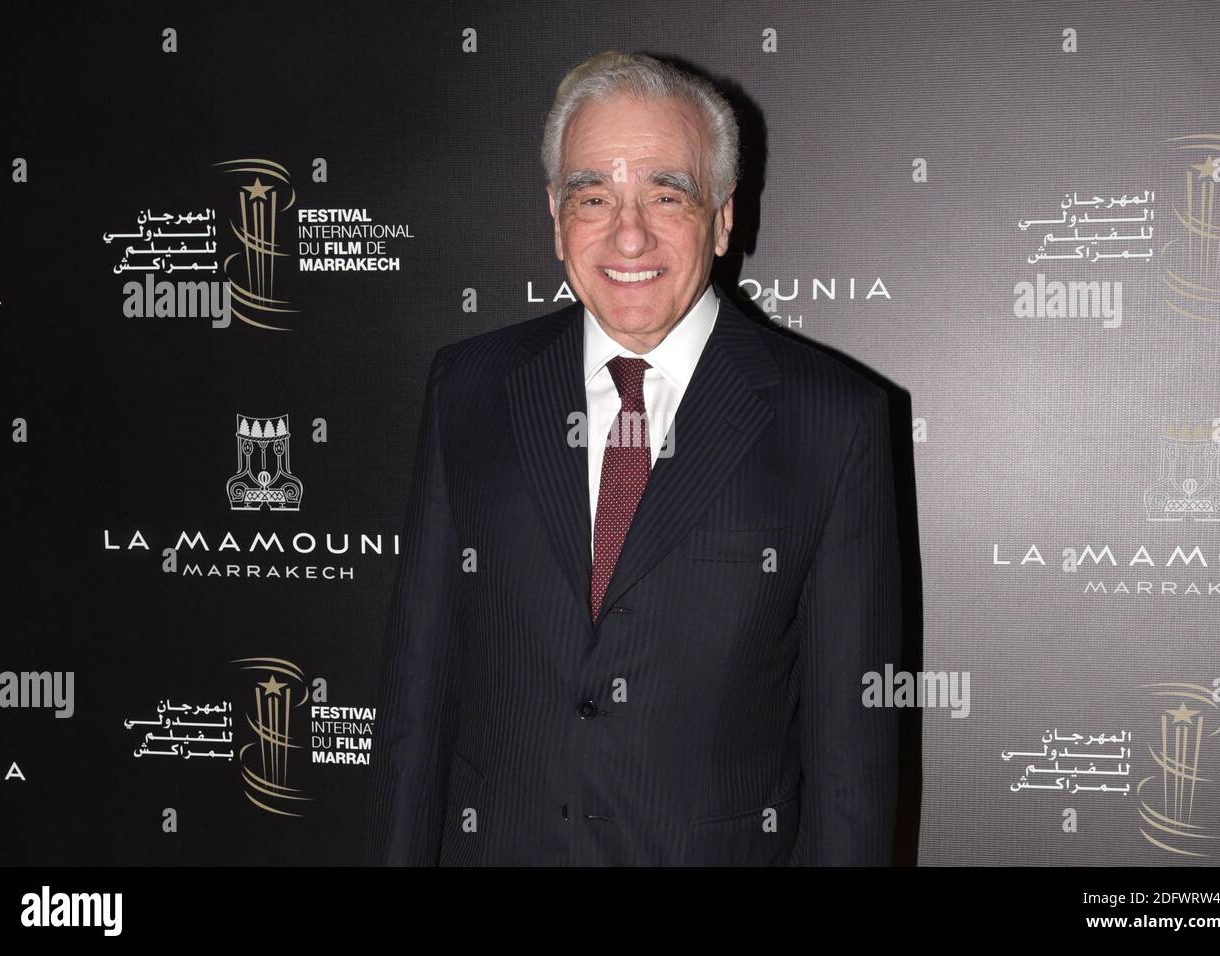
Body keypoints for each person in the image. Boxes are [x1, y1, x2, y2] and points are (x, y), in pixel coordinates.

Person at [367, 50, 903, 866]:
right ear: (554, 215)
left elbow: (850, 767)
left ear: (723, 215)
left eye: (666, 193)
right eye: (593, 196)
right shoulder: (467, 389)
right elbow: (416, 697)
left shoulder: (834, 420)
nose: (628, 233)